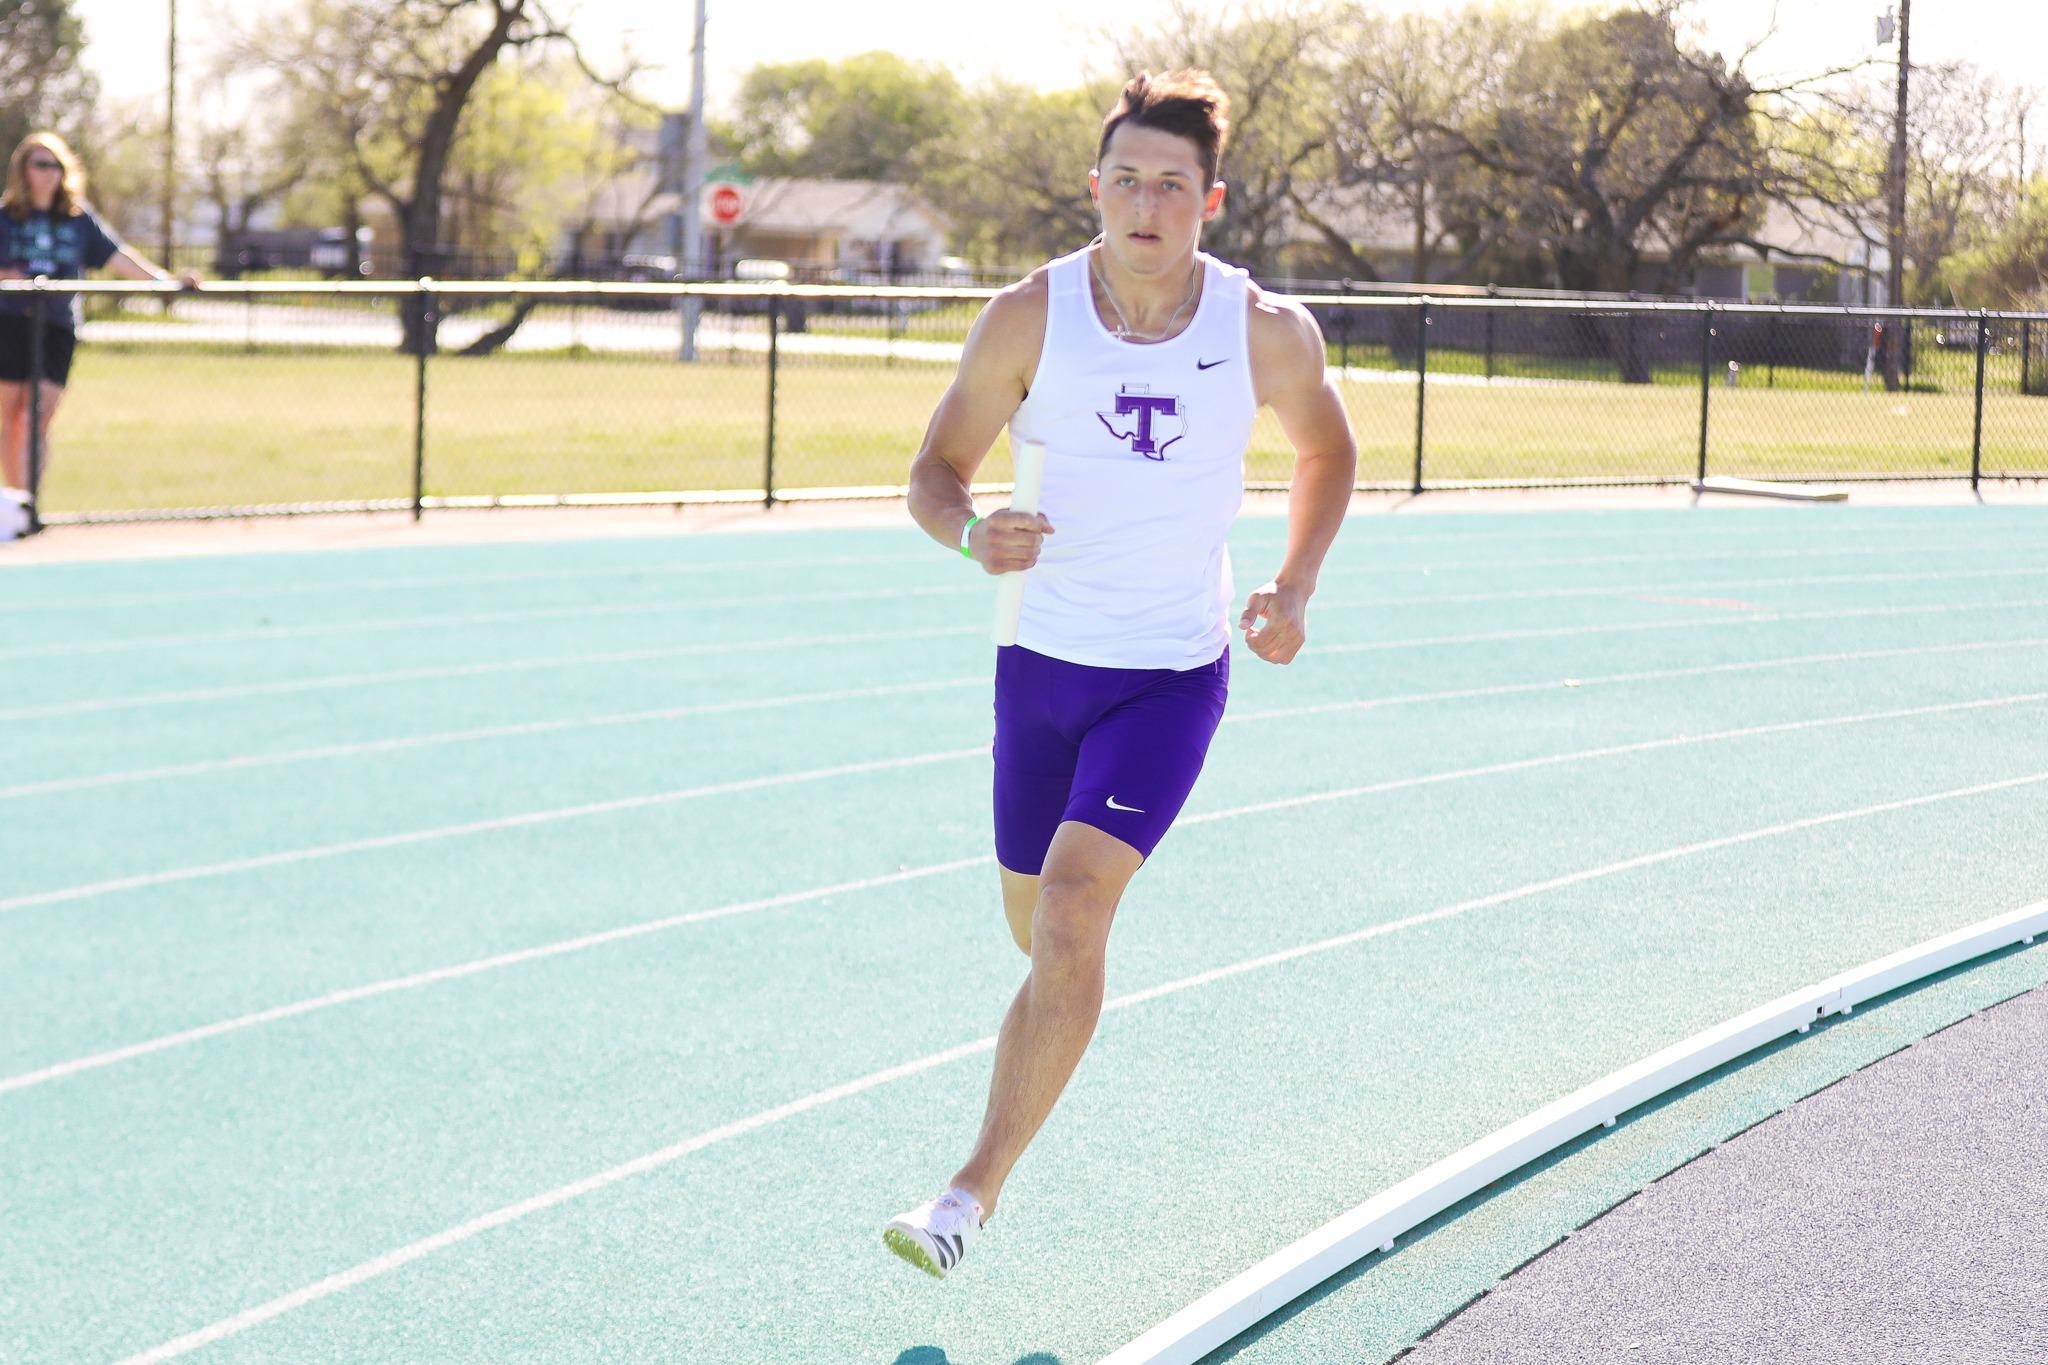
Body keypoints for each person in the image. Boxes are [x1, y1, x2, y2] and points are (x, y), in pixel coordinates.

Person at [884, 69, 1358, 1278]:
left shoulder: (1258, 329)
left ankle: (965, 1196)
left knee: (1077, 911)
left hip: (1167, 672)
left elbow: (1327, 449)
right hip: (1038, 665)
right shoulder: (1027, 316)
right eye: (1128, 182)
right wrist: (967, 530)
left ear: (1211, 201)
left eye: (1173, 186)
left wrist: (1293, 584)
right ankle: (1065, 1005)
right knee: (1036, 928)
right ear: (1096, 190)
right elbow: (932, 470)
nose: (1147, 206)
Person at [0, 132, 192, 538]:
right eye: (39, 164)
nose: (48, 173)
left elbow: (117, 256)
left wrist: (164, 283)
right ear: (24, 170)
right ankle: (15, 506)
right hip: (12, 323)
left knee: (38, 417)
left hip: (56, 327)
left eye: (55, 164)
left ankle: (31, 504)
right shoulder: (7, 215)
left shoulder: (77, 218)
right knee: (11, 417)